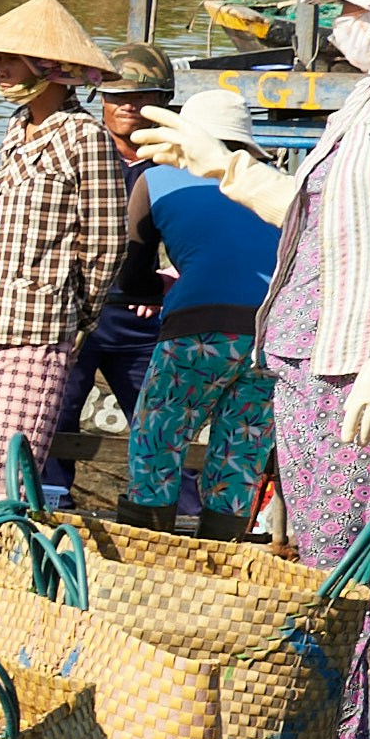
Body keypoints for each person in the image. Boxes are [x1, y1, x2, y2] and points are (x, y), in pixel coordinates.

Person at [137, 0, 370, 739]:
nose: (340, 25)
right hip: (305, 348)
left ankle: (337, 738)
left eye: (356, 7)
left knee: (356, 556)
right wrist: (222, 167)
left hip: (363, 361)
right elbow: (320, 219)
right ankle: (334, 728)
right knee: (324, 557)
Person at [0, 0, 132, 517]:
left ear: (49, 68)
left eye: (10, 61)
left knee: (7, 462)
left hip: (38, 316)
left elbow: (105, 241)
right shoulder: (16, 129)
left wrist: (79, 314)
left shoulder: (84, 137)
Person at [123, 86, 278, 536]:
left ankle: (143, 553)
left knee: (159, 440)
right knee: (242, 452)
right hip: (270, 336)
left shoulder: (155, 179)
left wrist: (153, 291)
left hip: (197, 330)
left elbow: (133, 269)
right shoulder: (269, 182)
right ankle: (221, 561)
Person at [76, 38, 178, 424]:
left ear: (163, 99)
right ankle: (52, 488)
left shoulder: (179, 158)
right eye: (117, 96)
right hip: (82, 311)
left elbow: (205, 238)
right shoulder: (81, 155)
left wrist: (172, 277)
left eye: (141, 96)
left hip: (146, 318)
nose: (128, 106)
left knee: (158, 426)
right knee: (57, 420)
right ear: (99, 98)